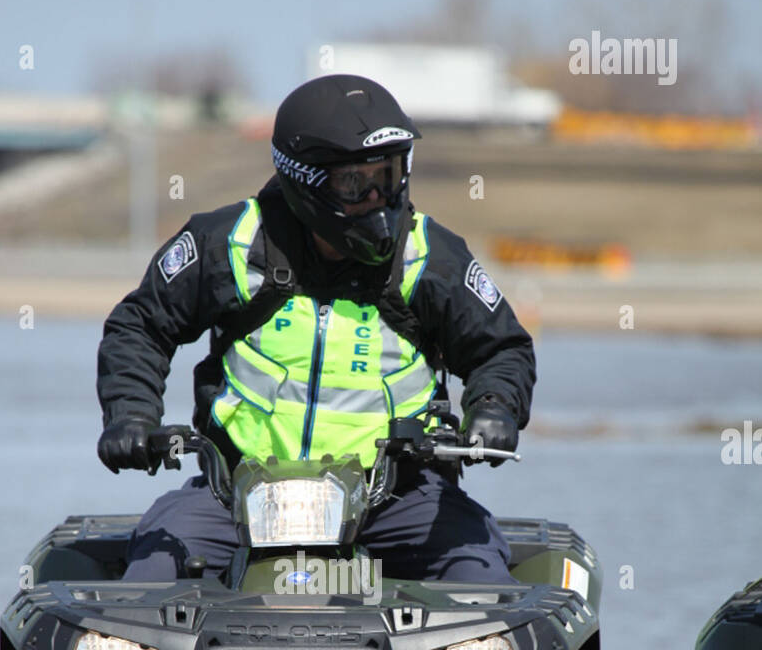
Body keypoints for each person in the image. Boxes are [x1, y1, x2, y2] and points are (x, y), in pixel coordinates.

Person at [96, 74, 536, 584]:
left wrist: (494, 408)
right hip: (237, 494)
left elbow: (502, 348)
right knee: (148, 578)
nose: (377, 198)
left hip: (397, 498)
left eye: (388, 177)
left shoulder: (429, 257)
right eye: (356, 183)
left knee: (481, 584)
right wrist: (130, 416)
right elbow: (141, 325)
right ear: (304, 181)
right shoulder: (231, 246)